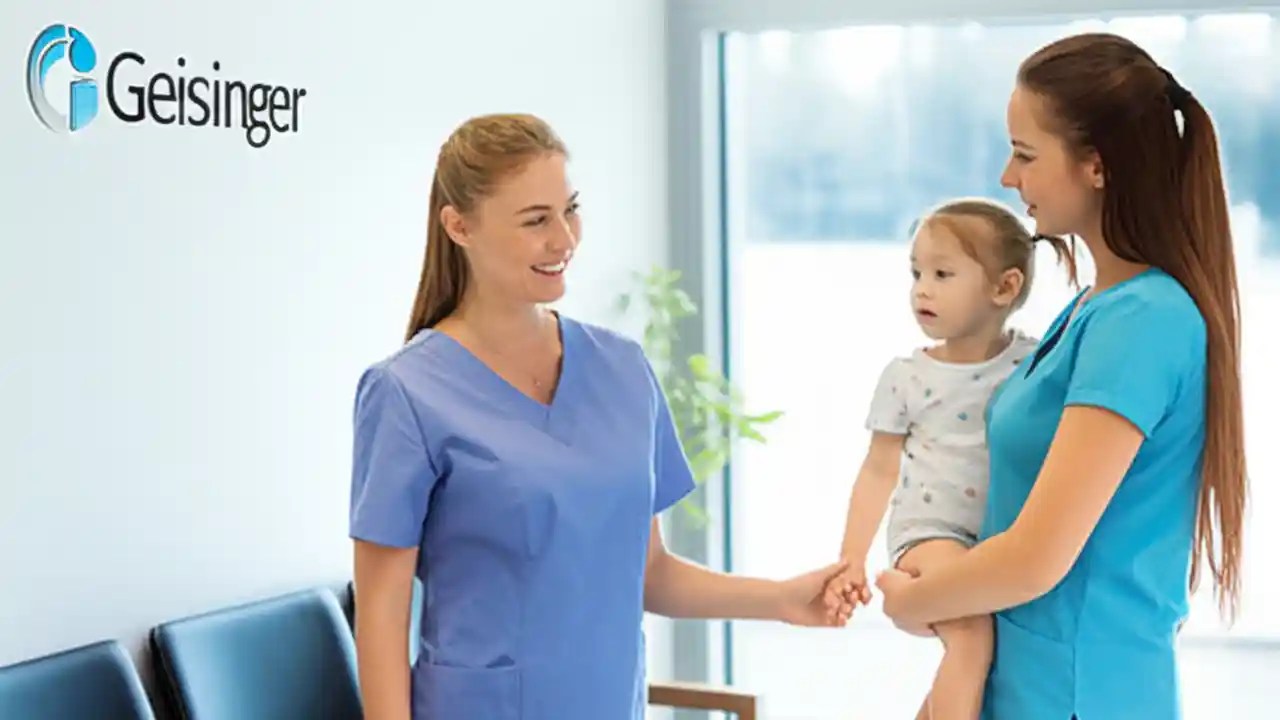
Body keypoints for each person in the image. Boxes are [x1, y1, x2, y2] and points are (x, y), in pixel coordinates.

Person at [348, 112, 853, 720]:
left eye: (570, 209)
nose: (565, 239)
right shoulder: (405, 392)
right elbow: (380, 616)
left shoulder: (622, 369)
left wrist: (782, 599)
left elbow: (649, 574)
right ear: (459, 226)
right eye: (536, 220)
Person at [865, 32, 1247, 720]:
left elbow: (1037, 556)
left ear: (1095, 166)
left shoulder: (1144, 320)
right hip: (1035, 684)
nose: (1009, 178)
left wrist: (910, 598)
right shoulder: (1093, 309)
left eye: (1025, 154)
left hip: (1080, 693)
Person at [826, 198, 1051, 720]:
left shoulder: (1032, 362)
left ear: (1005, 287)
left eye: (942, 273)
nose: (921, 288)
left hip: (995, 540)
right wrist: (851, 559)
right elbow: (878, 470)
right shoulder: (907, 376)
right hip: (928, 533)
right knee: (971, 639)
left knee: (973, 654)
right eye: (916, 272)